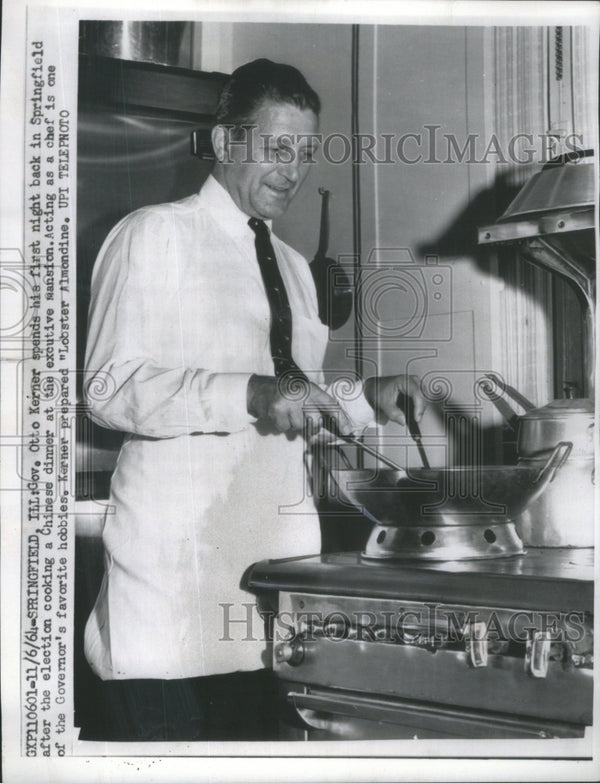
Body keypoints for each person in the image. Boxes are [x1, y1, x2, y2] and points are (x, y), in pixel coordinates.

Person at [82, 58, 424, 741]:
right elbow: (108, 389)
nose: (293, 170)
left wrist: (362, 399)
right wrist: (250, 392)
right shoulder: (153, 235)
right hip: (172, 609)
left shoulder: (294, 269)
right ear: (226, 142)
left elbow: (291, 404)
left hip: (274, 607)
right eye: (276, 148)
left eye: (304, 151)